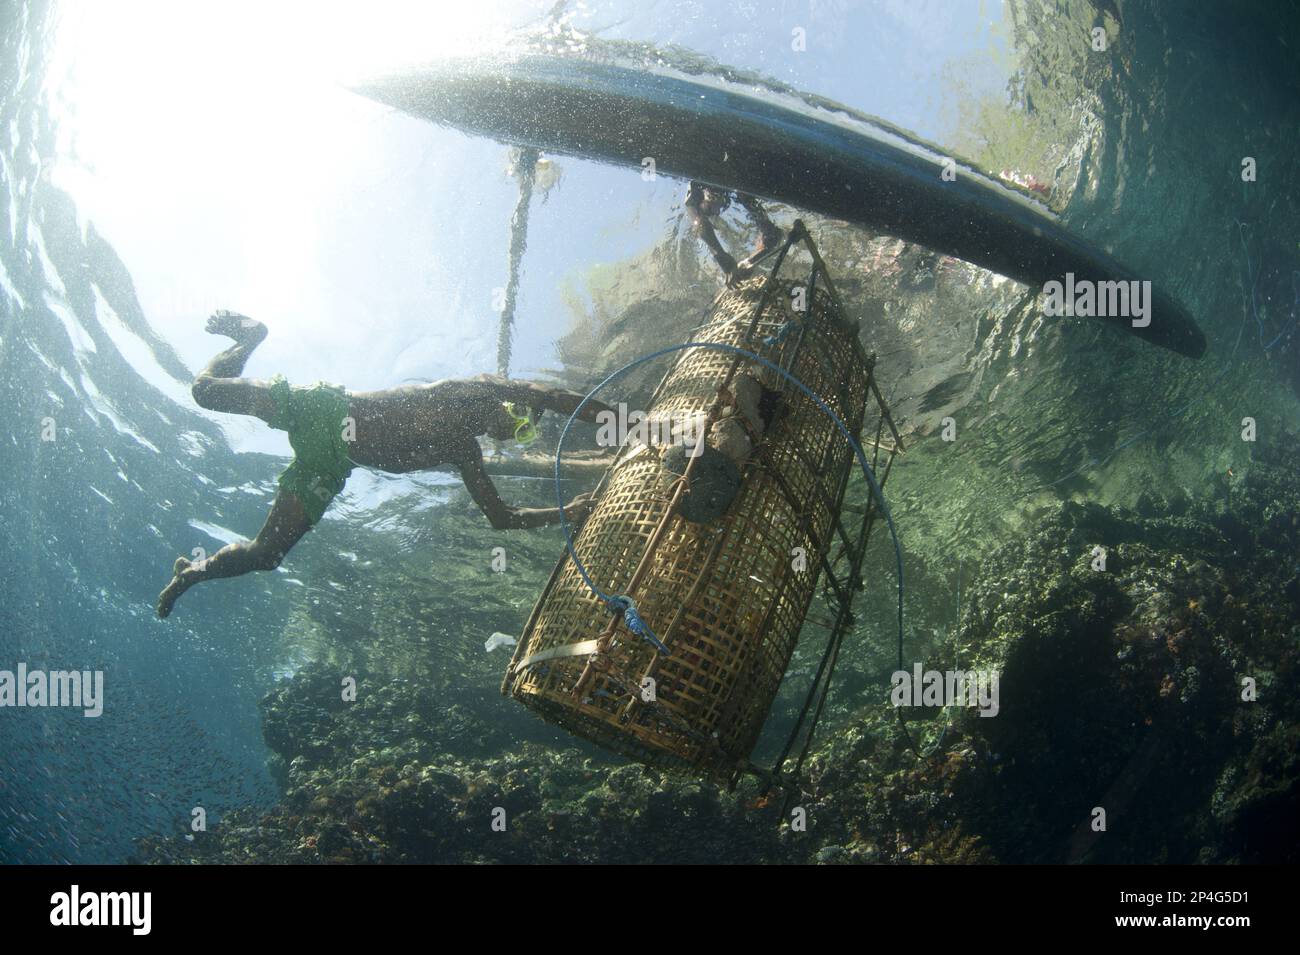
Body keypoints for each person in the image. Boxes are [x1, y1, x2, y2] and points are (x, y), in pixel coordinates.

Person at [156, 310, 607, 618]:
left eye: (523, 434)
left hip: (330, 462)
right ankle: (252, 335)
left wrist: (567, 513)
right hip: (323, 410)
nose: (513, 432)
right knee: (207, 390)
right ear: (508, 402)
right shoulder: (468, 389)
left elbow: (501, 518)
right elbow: (551, 397)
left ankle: (194, 572)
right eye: (519, 419)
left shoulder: (464, 451)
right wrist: (628, 423)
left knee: (266, 555)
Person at [684, 181, 783, 284]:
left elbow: (773, 234)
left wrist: (720, 255)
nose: (717, 212)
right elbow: (772, 234)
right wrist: (748, 262)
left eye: (709, 208)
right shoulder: (736, 192)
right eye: (714, 211)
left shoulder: (702, 181)